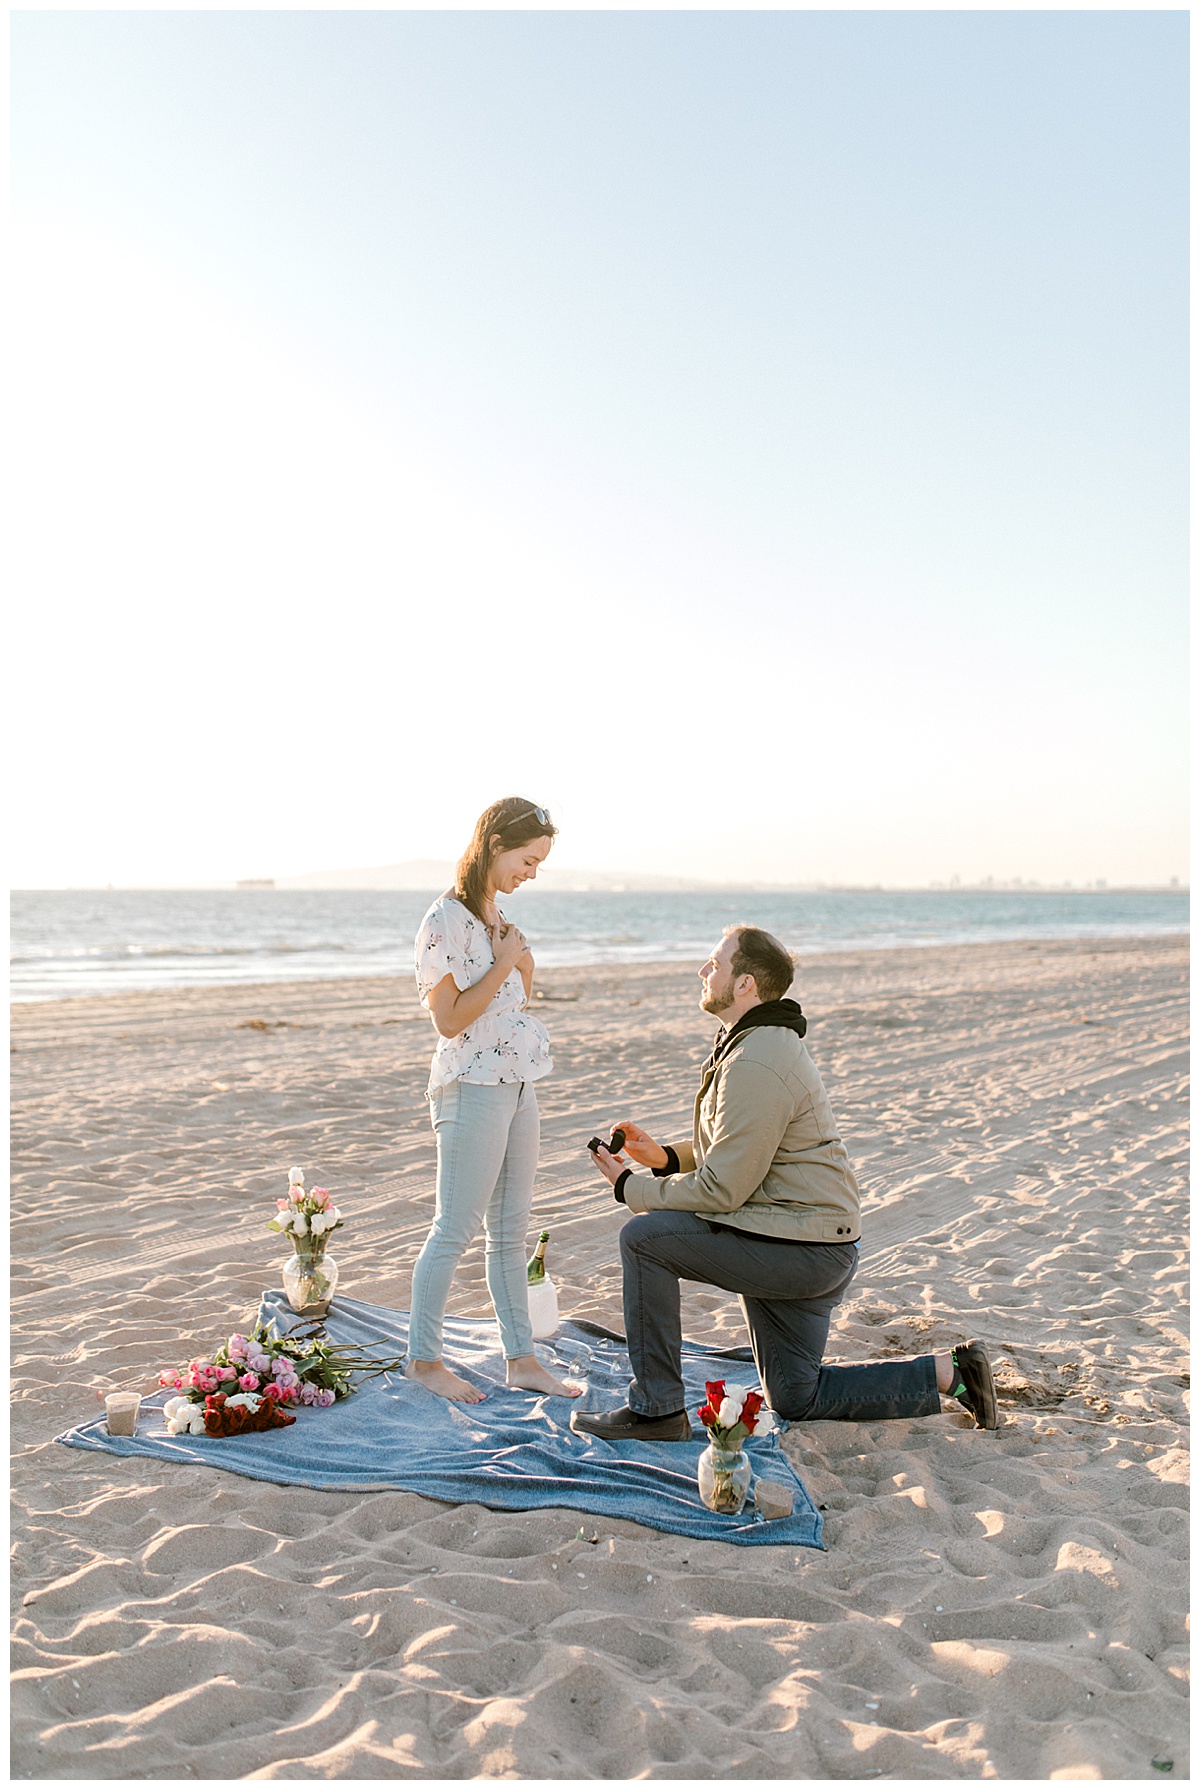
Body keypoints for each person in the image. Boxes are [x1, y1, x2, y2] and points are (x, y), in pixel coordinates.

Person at [572, 924, 997, 1440]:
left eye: (715, 963)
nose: (703, 971)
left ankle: (656, 1411)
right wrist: (665, 1158)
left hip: (799, 1247)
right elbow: (742, 1145)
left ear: (745, 983)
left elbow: (722, 1190)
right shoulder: (754, 1043)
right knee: (796, 1396)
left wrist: (630, 1188)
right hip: (804, 1238)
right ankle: (953, 1374)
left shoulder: (757, 1058)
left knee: (644, 1240)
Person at [407, 797, 582, 1405]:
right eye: (528, 860)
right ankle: (424, 1361)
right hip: (471, 1086)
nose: (531, 874)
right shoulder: (444, 919)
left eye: (538, 865)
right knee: (454, 1228)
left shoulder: (494, 915)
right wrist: (507, 961)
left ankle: (522, 1360)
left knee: (510, 1231)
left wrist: (519, 962)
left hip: (517, 1082)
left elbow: (516, 998)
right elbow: (450, 1020)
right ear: (495, 845)